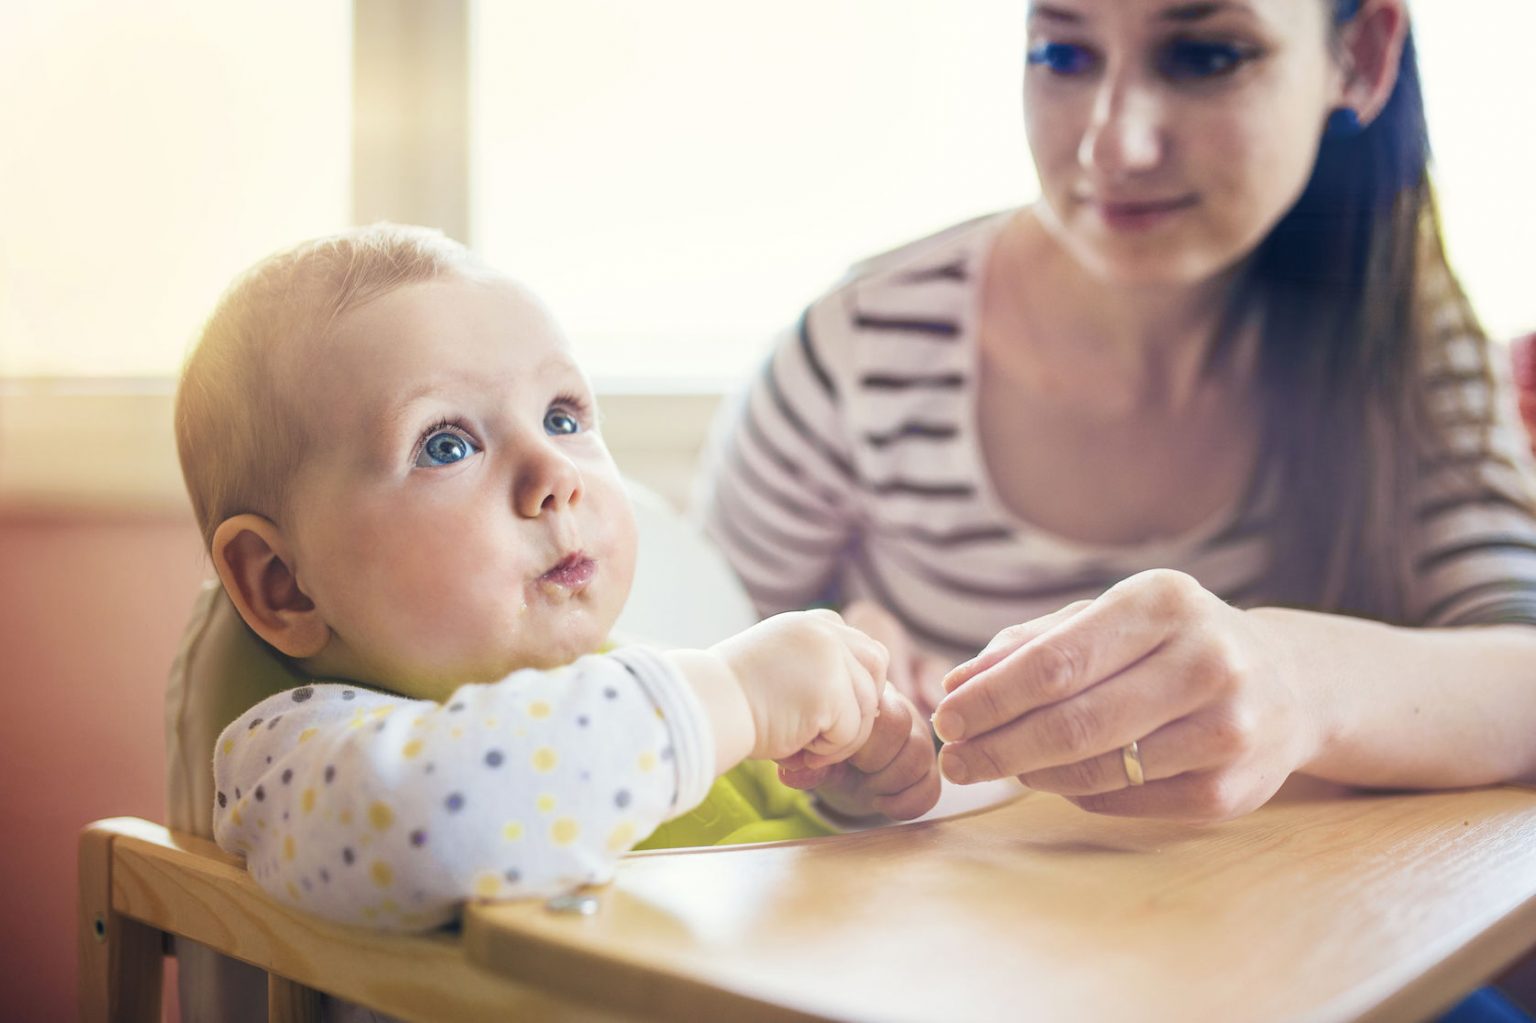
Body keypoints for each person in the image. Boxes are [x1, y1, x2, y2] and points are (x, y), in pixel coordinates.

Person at [698, 0, 1536, 829]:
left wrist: (1296, 679)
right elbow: (671, 695)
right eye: (1062, 54)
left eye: (1206, 56)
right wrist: (825, 707)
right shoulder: (859, 348)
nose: (1115, 144)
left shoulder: (1405, 347)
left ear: (1361, 54)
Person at [173, 223, 941, 936]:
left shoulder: (653, 682)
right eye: (445, 445)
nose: (555, 473)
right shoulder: (298, 757)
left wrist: (845, 797)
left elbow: (784, 888)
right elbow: (448, 821)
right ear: (283, 583)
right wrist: (736, 694)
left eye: (563, 417)